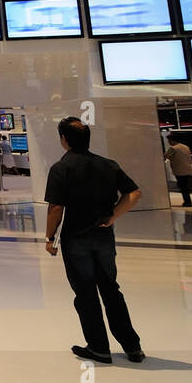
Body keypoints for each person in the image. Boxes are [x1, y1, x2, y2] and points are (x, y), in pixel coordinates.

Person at [44, 116, 145, 364]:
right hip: (103, 236)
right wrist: (113, 216)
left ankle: (99, 347)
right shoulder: (108, 165)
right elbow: (134, 193)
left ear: (64, 139)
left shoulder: (61, 168)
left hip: (76, 238)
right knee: (111, 289)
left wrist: (50, 237)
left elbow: (56, 207)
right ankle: (132, 346)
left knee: (86, 293)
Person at [164, 133, 192, 208]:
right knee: (186, 186)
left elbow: (165, 156)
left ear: (172, 140)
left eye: (168, 140)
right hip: (188, 169)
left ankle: (187, 202)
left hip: (179, 170)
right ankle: (188, 201)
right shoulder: (185, 147)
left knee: (183, 187)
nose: (168, 142)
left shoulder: (173, 148)